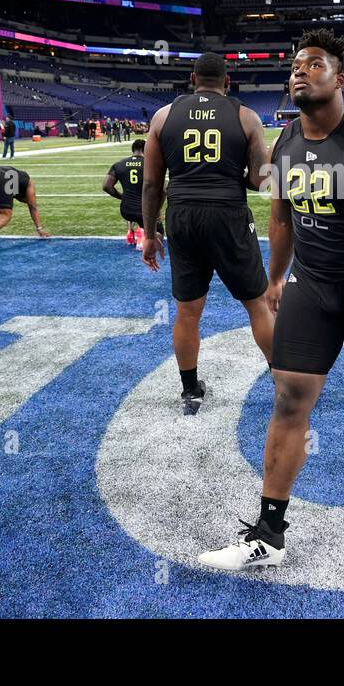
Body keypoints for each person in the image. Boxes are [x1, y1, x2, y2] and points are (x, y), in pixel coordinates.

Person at [198, 28, 344, 571]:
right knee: (290, 396)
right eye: (295, 65)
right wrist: (275, 278)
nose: (300, 71)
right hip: (310, 283)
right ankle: (269, 533)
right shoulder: (285, 143)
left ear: (340, 77)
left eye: (315, 64)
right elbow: (280, 219)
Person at [140, 51, 274, 415]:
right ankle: (285, 383)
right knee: (258, 305)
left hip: (181, 215)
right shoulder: (245, 116)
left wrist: (150, 233)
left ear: (192, 79)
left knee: (187, 312)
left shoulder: (163, 116)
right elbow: (260, 181)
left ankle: (190, 391)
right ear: (227, 82)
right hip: (227, 214)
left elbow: (152, 183)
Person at [103, 138, 163, 247]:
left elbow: (107, 186)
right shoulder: (151, 164)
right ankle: (143, 235)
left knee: (132, 203)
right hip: (145, 211)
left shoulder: (119, 164)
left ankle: (131, 231)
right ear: (146, 150)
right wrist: (157, 210)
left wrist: (122, 197)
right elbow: (162, 189)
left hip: (126, 210)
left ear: (133, 150)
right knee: (159, 232)